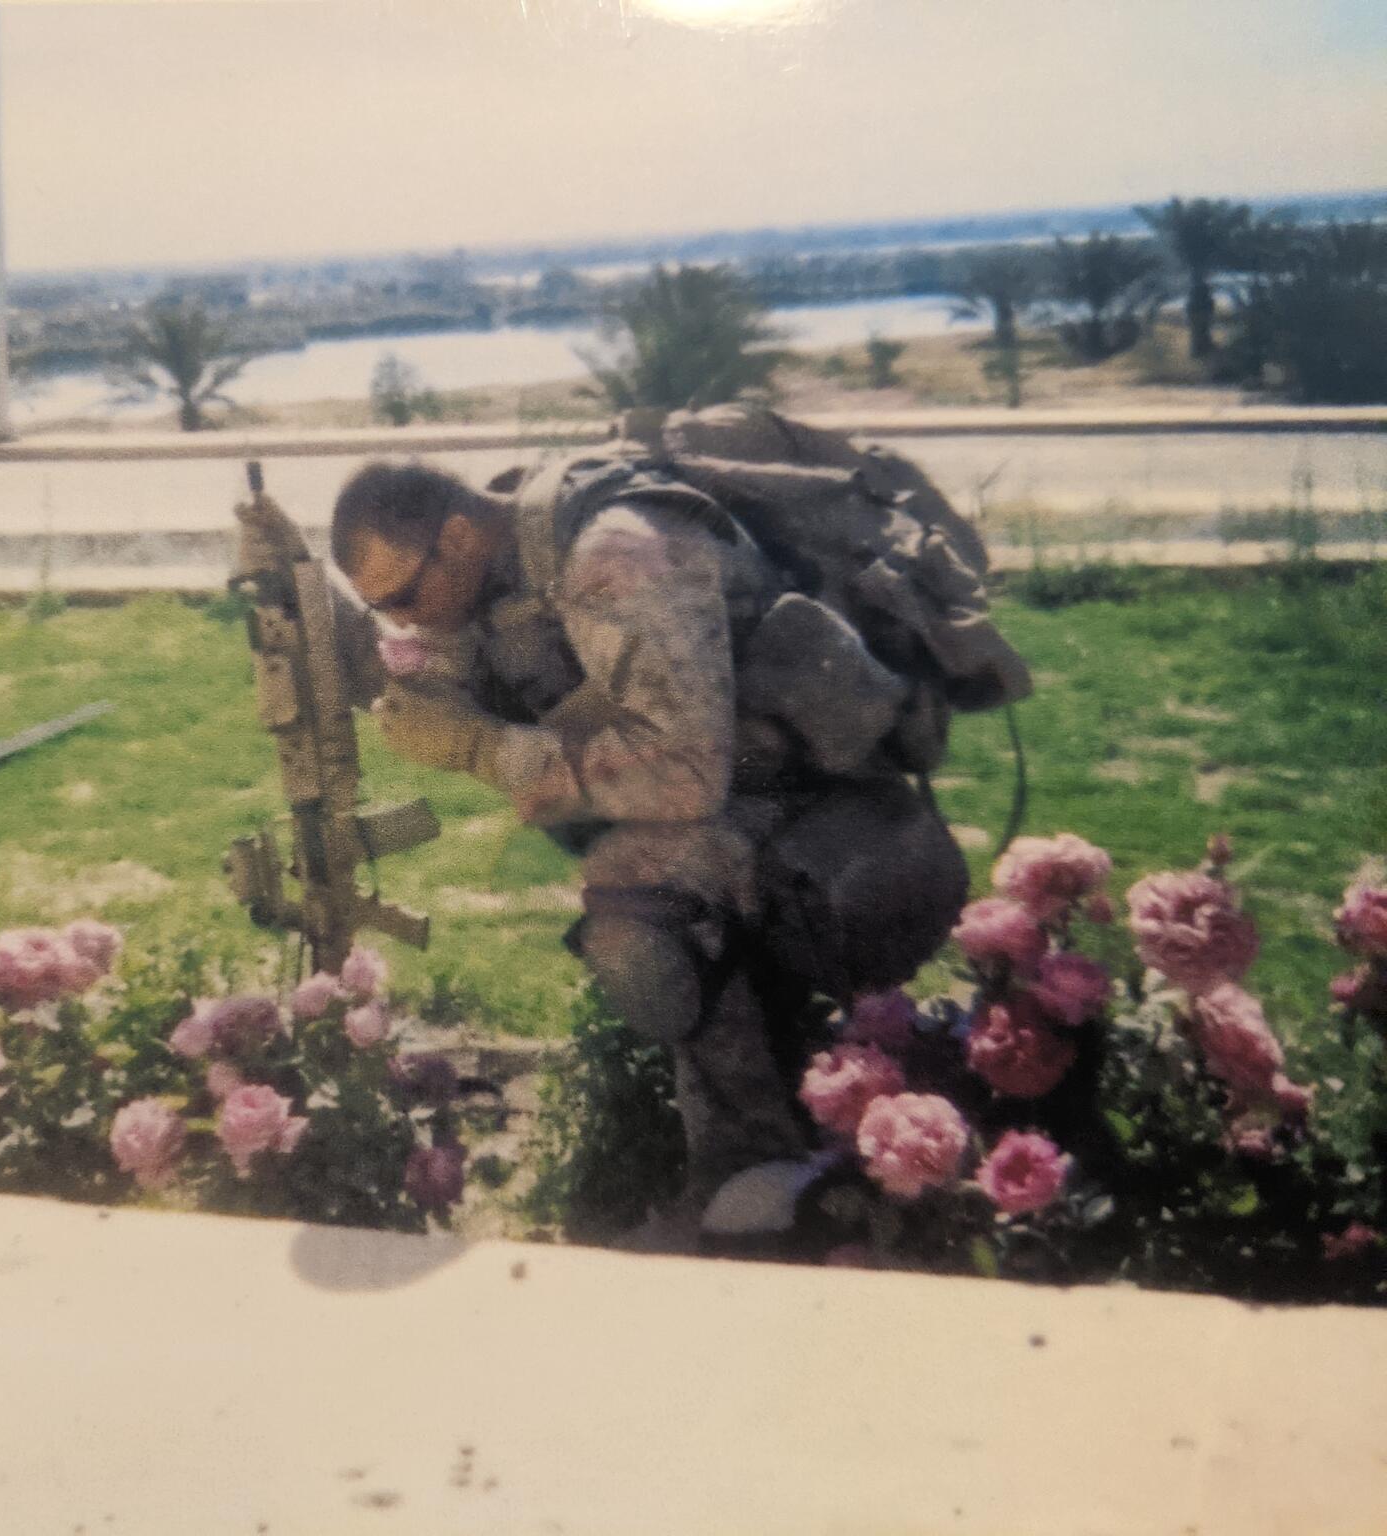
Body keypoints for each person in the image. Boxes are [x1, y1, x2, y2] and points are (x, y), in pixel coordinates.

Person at [328, 403, 1030, 1247]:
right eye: (383, 610)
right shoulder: (510, 560)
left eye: (405, 596)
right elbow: (499, 670)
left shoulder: (612, 558)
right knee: (651, 886)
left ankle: (769, 1167)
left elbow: (683, 774)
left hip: (845, 832)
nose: (405, 622)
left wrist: (482, 749)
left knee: (640, 912)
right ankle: (760, 1171)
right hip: (755, 806)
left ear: (459, 537)